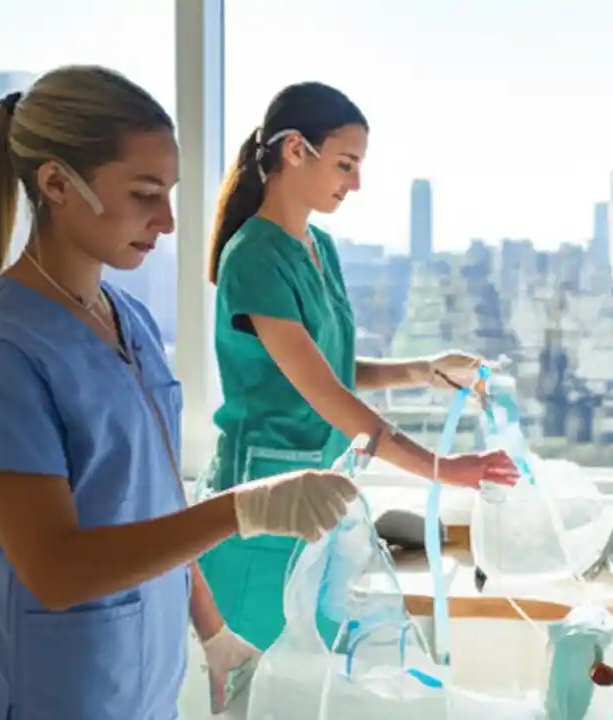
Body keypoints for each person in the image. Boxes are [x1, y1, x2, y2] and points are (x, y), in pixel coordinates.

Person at [0, 66, 358, 719]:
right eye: (145, 193)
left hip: (139, 695)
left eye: (170, 193)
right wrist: (243, 510)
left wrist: (213, 632)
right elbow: (56, 569)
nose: (169, 221)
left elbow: (155, 502)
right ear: (57, 184)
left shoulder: (130, 323)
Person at [197, 81, 519, 651]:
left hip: (318, 496)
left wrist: (424, 371)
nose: (356, 183)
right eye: (346, 164)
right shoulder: (254, 257)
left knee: (314, 677)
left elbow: (331, 366)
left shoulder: (317, 247)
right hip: (263, 503)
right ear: (295, 150)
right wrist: (443, 469)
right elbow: (328, 396)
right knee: (259, 680)